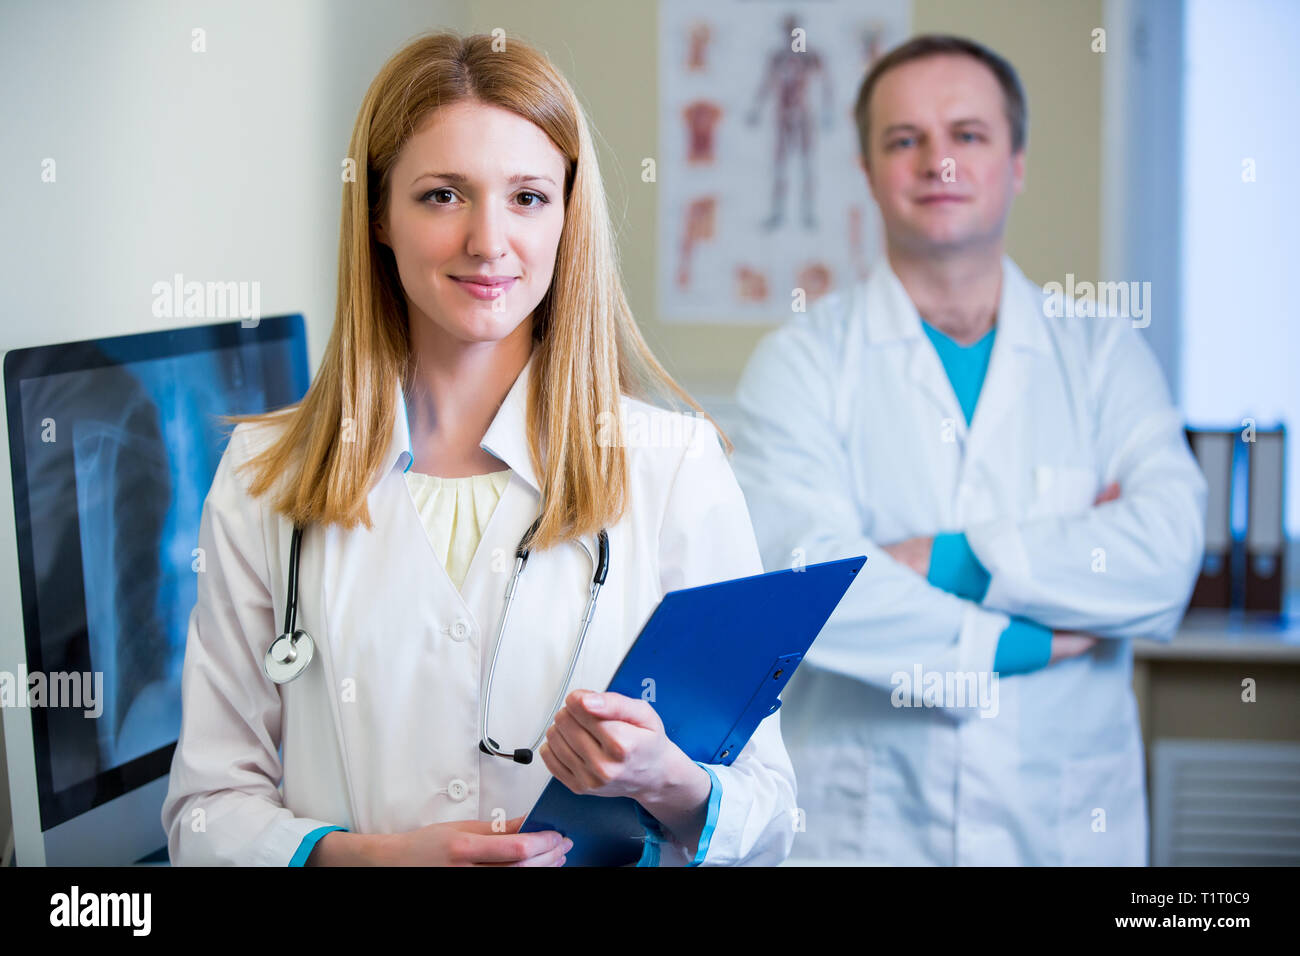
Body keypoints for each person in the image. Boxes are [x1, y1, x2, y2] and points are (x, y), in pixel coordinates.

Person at [162, 31, 796, 867]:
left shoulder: (672, 466)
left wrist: (666, 780)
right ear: (379, 216)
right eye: (442, 196)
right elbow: (205, 813)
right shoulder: (265, 475)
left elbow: (771, 811)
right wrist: (379, 860)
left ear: (570, 215)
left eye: (528, 197)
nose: (488, 241)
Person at [730, 34, 1206, 865]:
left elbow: (1165, 553)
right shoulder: (801, 363)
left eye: (969, 135)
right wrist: (1025, 636)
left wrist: (941, 561)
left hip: (1061, 829)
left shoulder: (1103, 355)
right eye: (904, 139)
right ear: (870, 170)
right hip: (865, 831)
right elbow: (808, 592)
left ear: (1016, 162)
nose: (937, 162)